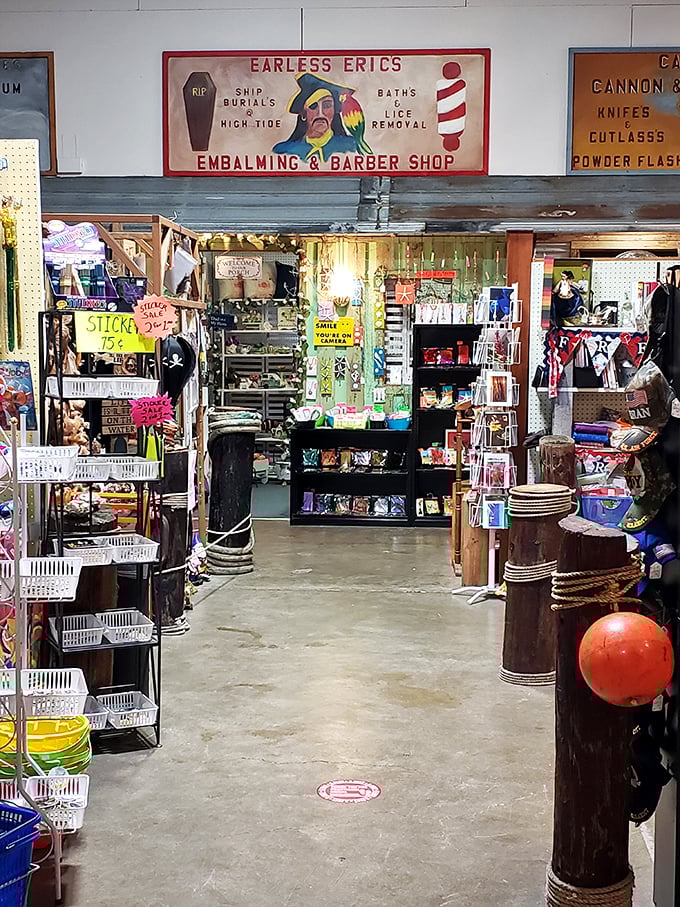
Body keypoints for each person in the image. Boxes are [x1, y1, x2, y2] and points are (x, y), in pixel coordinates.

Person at [273, 73, 357, 163]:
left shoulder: (352, 147)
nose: (320, 113)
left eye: (327, 105)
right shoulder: (284, 151)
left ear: (334, 111)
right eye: (313, 106)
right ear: (304, 114)